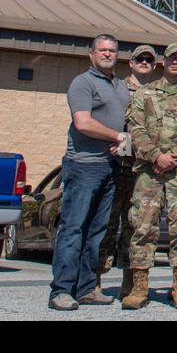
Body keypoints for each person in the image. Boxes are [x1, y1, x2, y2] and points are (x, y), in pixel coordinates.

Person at [121, 43, 177, 309]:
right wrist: (155, 156)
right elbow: (135, 128)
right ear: (164, 61)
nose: (175, 62)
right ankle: (139, 288)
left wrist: (173, 158)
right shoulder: (145, 94)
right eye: (171, 58)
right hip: (150, 172)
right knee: (142, 227)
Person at [49, 34, 130, 311]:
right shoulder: (82, 83)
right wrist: (117, 138)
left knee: (97, 232)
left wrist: (123, 143)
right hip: (83, 166)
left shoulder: (120, 87)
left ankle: (86, 289)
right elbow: (83, 123)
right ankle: (61, 290)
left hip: (110, 168)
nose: (107, 54)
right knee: (73, 229)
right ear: (91, 55)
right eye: (102, 50)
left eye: (112, 50)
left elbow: (125, 128)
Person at [98, 43, 160, 300]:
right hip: (117, 167)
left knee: (136, 228)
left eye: (149, 59)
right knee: (107, 226)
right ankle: (95, 280)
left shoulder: (157, 94)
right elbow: (109, 122)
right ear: (131, 63)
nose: (144, 62)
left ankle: (129, 282)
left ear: (154, 65)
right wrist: (120, 143)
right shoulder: (117, 89)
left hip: (142, 171)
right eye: (139, 58)